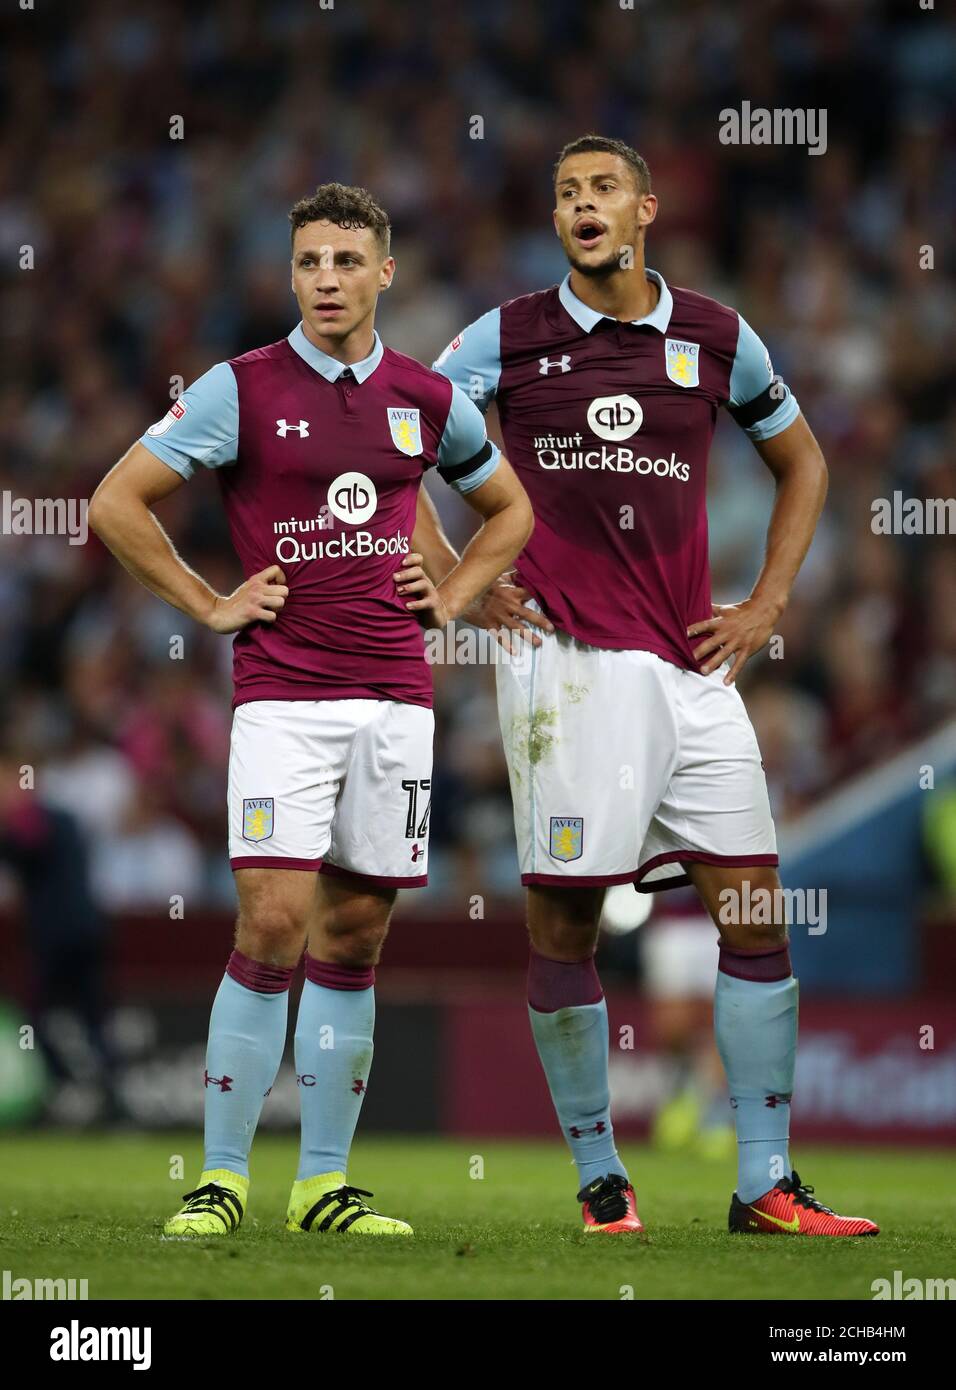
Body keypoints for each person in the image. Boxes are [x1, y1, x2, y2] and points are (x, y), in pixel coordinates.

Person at [427, 134, 877, 1237]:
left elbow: (804, 460)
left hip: (692, 666)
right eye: (565, 192)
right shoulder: (504, 338)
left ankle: (762, 1179)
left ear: (644, 211)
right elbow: (391, 435)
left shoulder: (714, 336)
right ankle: (598, 1175)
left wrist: (768, 602)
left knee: (755, 910)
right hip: (567, 666)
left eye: (601, 190)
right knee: (567, 924)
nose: (581, 205)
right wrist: (454, 580)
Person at [89, 182, 532, 1238]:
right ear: (290, 274)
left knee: (355, 934)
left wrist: (457, 594)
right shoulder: (239, 388)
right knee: (273, 921)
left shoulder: (426, 398)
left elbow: (506, 507)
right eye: (308, 263)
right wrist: (208, 602)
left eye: (345, 261)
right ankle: (220, 1177)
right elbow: (115, 500)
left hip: (395, 698)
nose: (326, 280)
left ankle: (322, 1184)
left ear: (385, 272)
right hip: (283, 695)